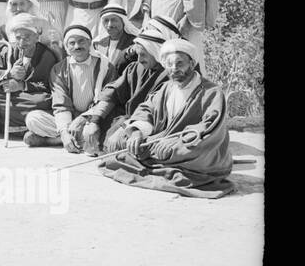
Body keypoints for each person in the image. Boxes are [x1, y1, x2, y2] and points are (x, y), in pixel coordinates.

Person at [98, 38, 234, 197]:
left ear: (191, 63)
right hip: (160, 142)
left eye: (180, 63)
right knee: (122, 143)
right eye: (169, 64)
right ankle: (162, 161)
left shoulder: (211, 91)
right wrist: (137, 131)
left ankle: (161, 161)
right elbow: (146, 109)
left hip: (193, 146)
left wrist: (178, 142)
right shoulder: (166, 88)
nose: (174, 69)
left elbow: (211, 127)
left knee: (176, 151)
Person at [74, 18, 179, 152]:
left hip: (148, 124)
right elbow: (113, 92)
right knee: (88, 130)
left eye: (143, 55)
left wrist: (126, 128)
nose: (139, 59)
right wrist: (94, 120)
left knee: (122, 144)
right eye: (138, 54)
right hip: (127, 117)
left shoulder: (170, 76)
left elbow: (152, 111)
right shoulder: (135, 67)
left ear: (156, 53)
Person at [23, 23, 115, 151]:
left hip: (94, 119)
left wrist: (85, 119)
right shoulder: (59, 69)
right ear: (66, 47)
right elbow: (61, 103)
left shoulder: (105, 66)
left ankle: (51, 141)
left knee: (98, 133)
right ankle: (68, 139)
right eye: (72, 43)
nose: (77, 46)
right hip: (70, 117)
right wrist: (65, 132)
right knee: (33, 118)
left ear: (90, 43)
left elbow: (108, 99)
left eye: (81, 41)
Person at [93, 5, 140, 74]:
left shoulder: (134, 43)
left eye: (114, 20)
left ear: (123, 21)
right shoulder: (98, 44)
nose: (110, 25)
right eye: (106, 20)